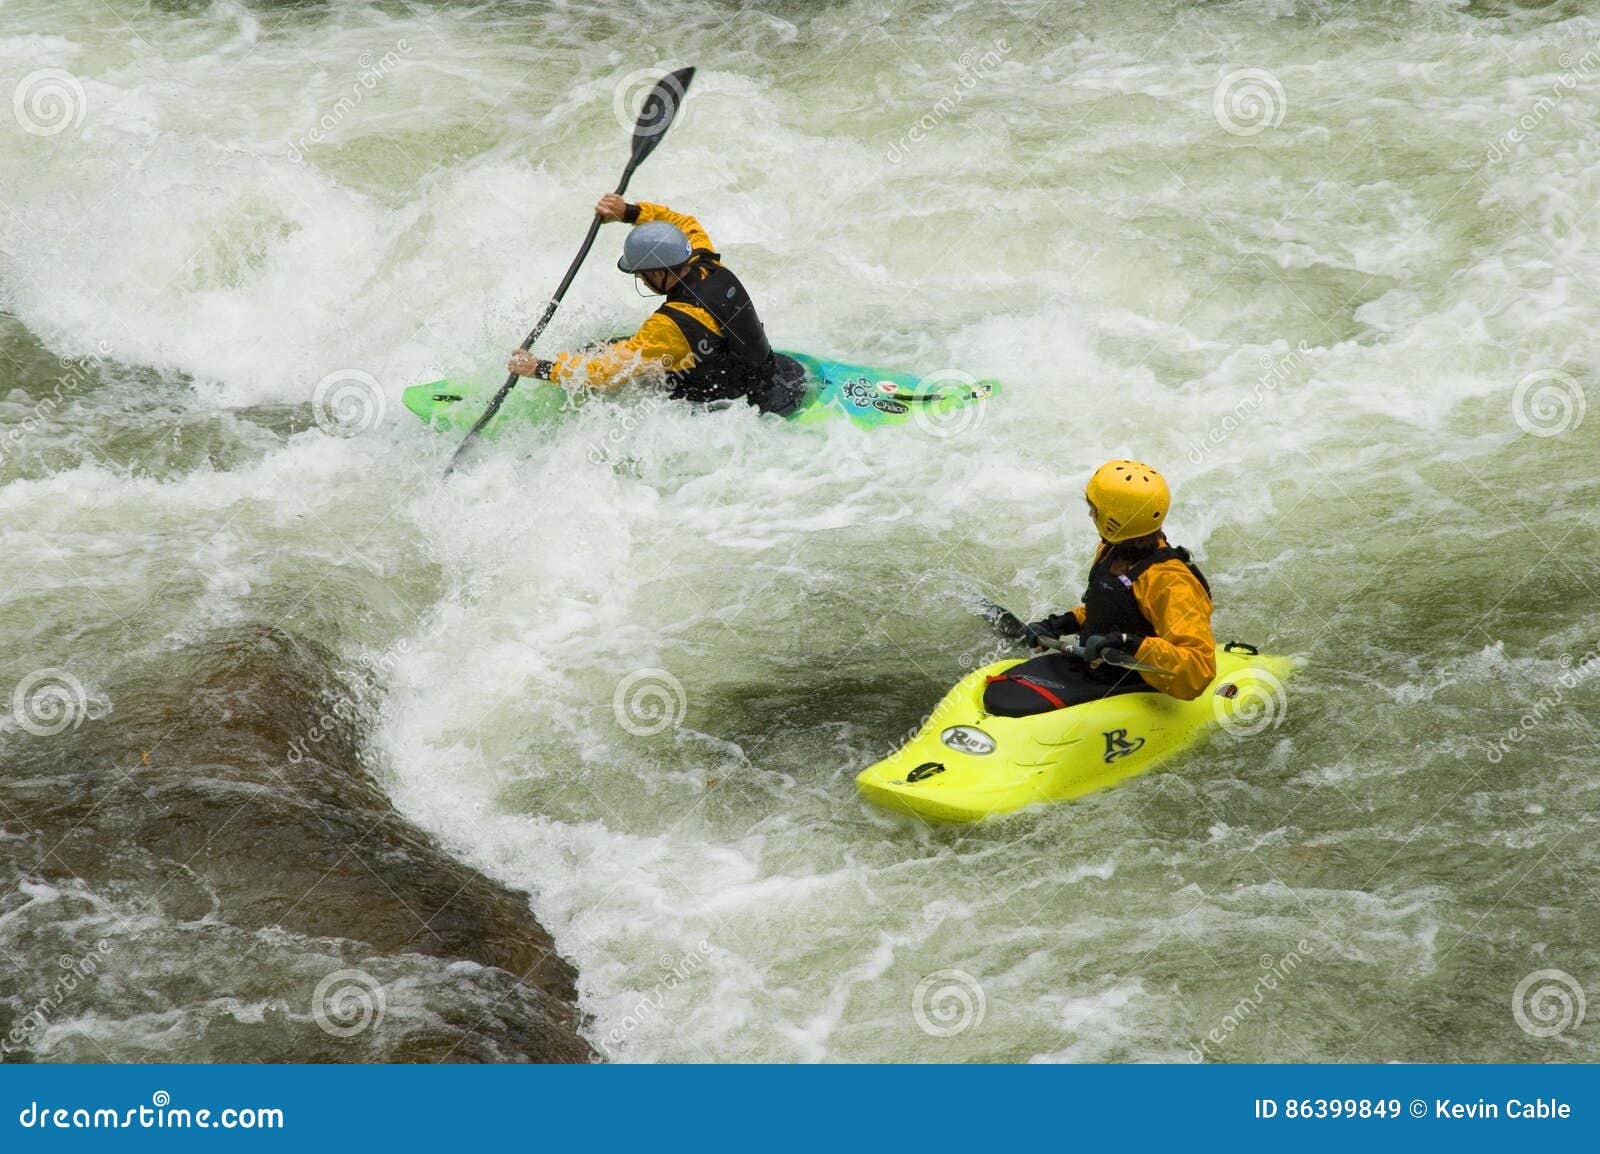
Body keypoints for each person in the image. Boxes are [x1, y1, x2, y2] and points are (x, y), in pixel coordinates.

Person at [507, 193, 804, 414]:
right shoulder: (705, 260)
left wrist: (540, 368)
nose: (641, 279)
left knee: (603, 361)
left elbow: (606, 371)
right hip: (767, 371)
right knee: (610, 349)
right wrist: (629, 212)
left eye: (641, 274)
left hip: (729, 401)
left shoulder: (669, 325)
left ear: (660, 272)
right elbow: (683, 223)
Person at [983, 460, 1217, 717]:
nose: (1090, 515)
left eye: (1095, 509)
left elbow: (1198, 669)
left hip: (1138, 682)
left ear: (1114, 519)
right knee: (1000, 693)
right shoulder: (1111, 550)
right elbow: (1112, 612)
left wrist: (1129, 644)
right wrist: (1061, 624)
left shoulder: (1171, 582)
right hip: (1095, 668)